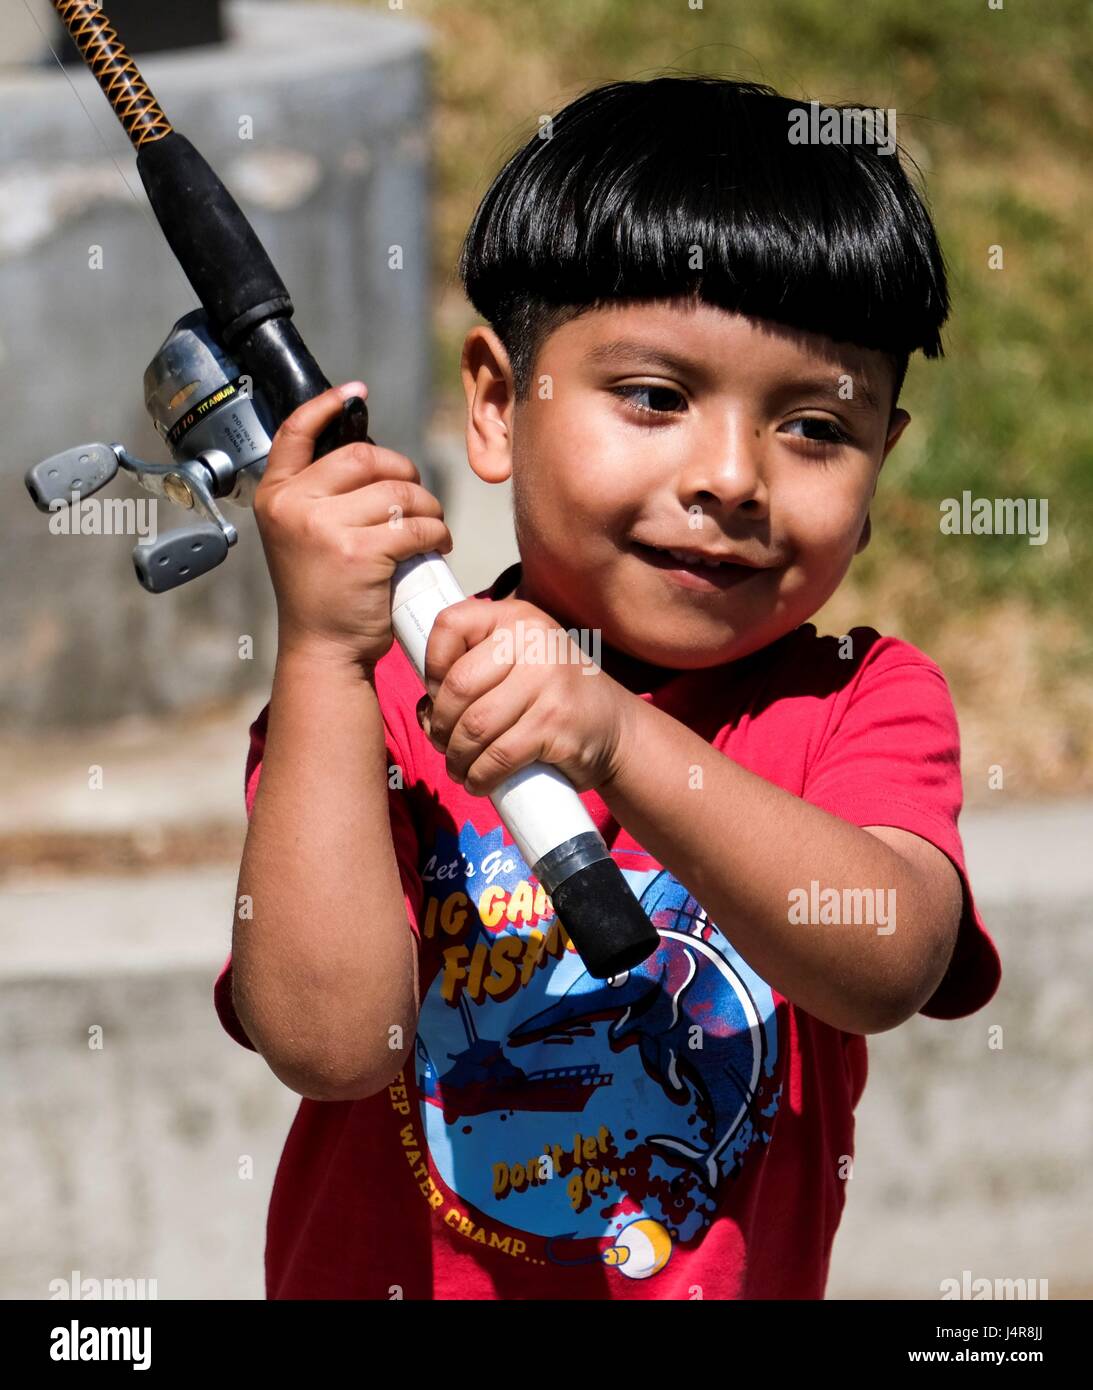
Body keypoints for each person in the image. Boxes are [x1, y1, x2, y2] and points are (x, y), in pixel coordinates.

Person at [214, 75, 1001, 1299]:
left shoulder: (863, 697)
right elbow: (324, 1042)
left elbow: (886, 957)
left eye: (814, 428)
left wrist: (619, 738)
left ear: (882, 456)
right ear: (494, 401)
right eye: (654, 398)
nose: (732, 476)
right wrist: (320, 655)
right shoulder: (371, 700)